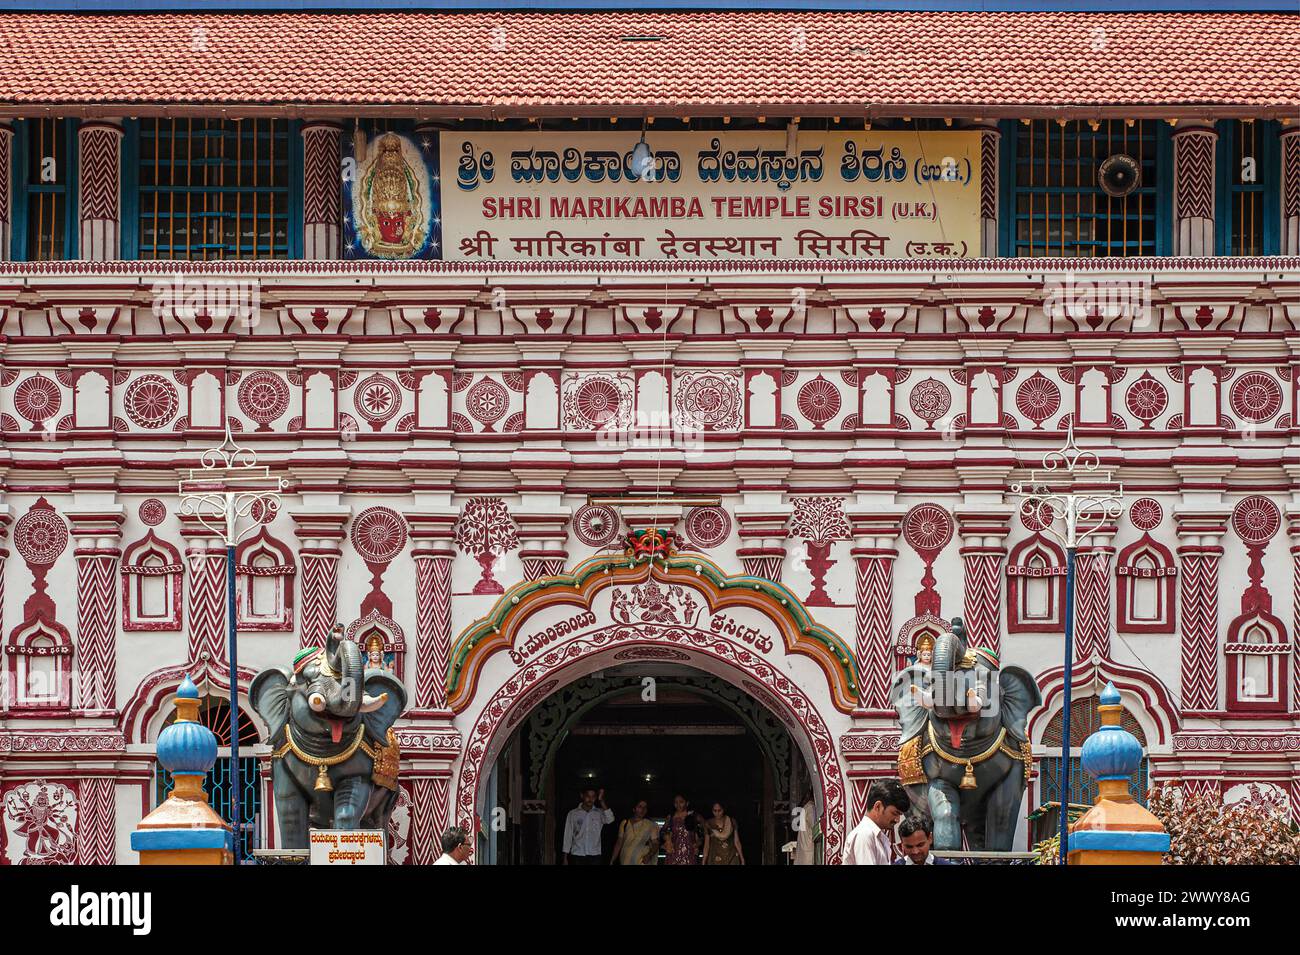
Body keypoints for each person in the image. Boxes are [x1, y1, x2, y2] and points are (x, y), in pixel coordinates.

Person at [842, 778, 909, 865]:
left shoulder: (876, 836)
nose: (897, 820)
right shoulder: (865, 835)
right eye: (895, 813)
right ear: (878, 807)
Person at [562, 787, 613, 865]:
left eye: (593, 797)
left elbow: (611, 819)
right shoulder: (573, 814)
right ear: (582, 796)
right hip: (577, 854)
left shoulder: (599, 813)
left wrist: (601, 801)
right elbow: (567, 835)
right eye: (588, 796)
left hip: (594, 855)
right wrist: (565, 858)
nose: (590, 799)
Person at [610, 799, 659, 865]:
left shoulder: (651, 825)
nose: (643, 809)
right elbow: (619, 843)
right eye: (640, 806)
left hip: (641, 862)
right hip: (624, 861)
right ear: (634, 809)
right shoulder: (625, 823)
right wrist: (612, 860)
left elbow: (655, 844)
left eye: (645, 807)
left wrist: (649, 856)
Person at [660, 794, 703, 866]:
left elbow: (704, 832)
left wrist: (699, 842)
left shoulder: (694, 816)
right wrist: (667, 839)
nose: (678, 805)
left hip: (690, 854)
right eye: (676, 802)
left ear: (687, 803)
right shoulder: (671, 817)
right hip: (673, 853)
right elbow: (662, 832)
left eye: (681, 802)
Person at [702, 801, 744, 865]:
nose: (717, 813)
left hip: (731, 856)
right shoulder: (708, 824)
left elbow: (737, 841)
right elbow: (706, 844)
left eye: (719, 810)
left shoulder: (731, 821)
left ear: (723, 809)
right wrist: (704, 861)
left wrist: (742, 859)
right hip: (715, 858)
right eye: (714, 811)